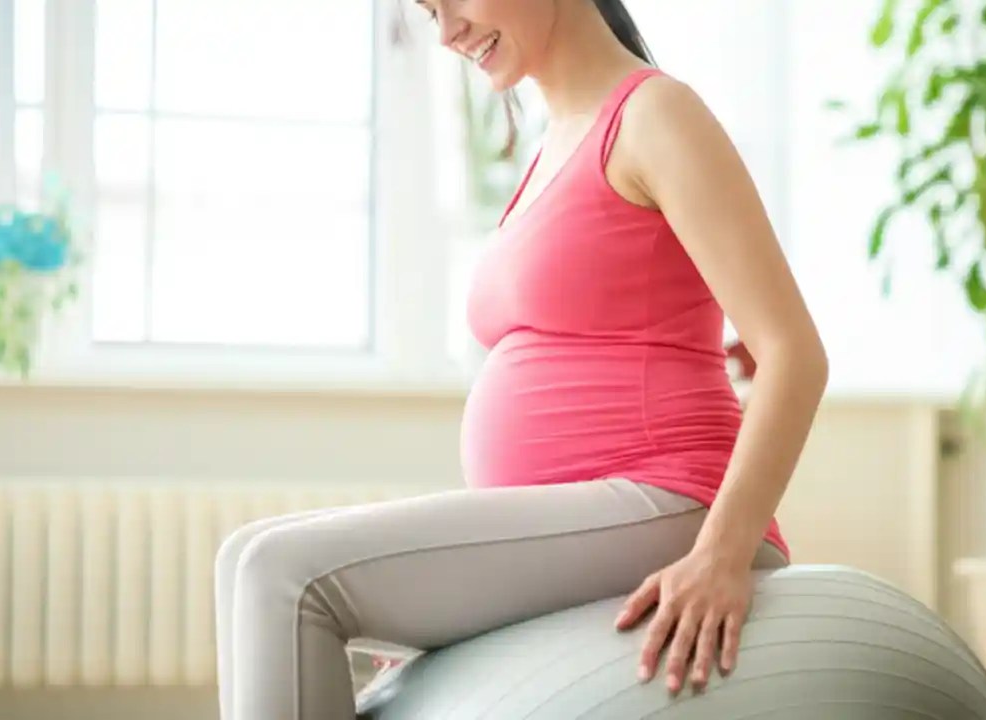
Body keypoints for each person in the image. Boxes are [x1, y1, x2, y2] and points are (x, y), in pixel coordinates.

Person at [213, 1, 829, 718]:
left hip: (673, 499)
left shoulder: (655, 114)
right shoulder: (554, 142)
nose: (445, 33)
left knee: (282, 573)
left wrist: (722, 556)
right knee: (242, 558)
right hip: (597, 515)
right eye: (428, 10)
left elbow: (794, 355)